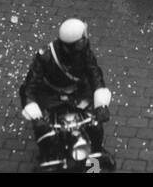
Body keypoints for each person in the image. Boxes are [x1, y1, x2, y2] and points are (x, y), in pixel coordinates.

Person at [19, 18, 112, 164]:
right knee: (45, 132)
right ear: (74, 45)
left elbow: (95, 73)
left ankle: (96, 152)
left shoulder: (84, 52)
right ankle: (47, 157)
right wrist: (36, 117)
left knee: (95, 126)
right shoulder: (45, 56)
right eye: (82, 39)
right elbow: (28, 87)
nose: (85, 41)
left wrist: (101, 105)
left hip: (78, 93)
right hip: (52, 96)